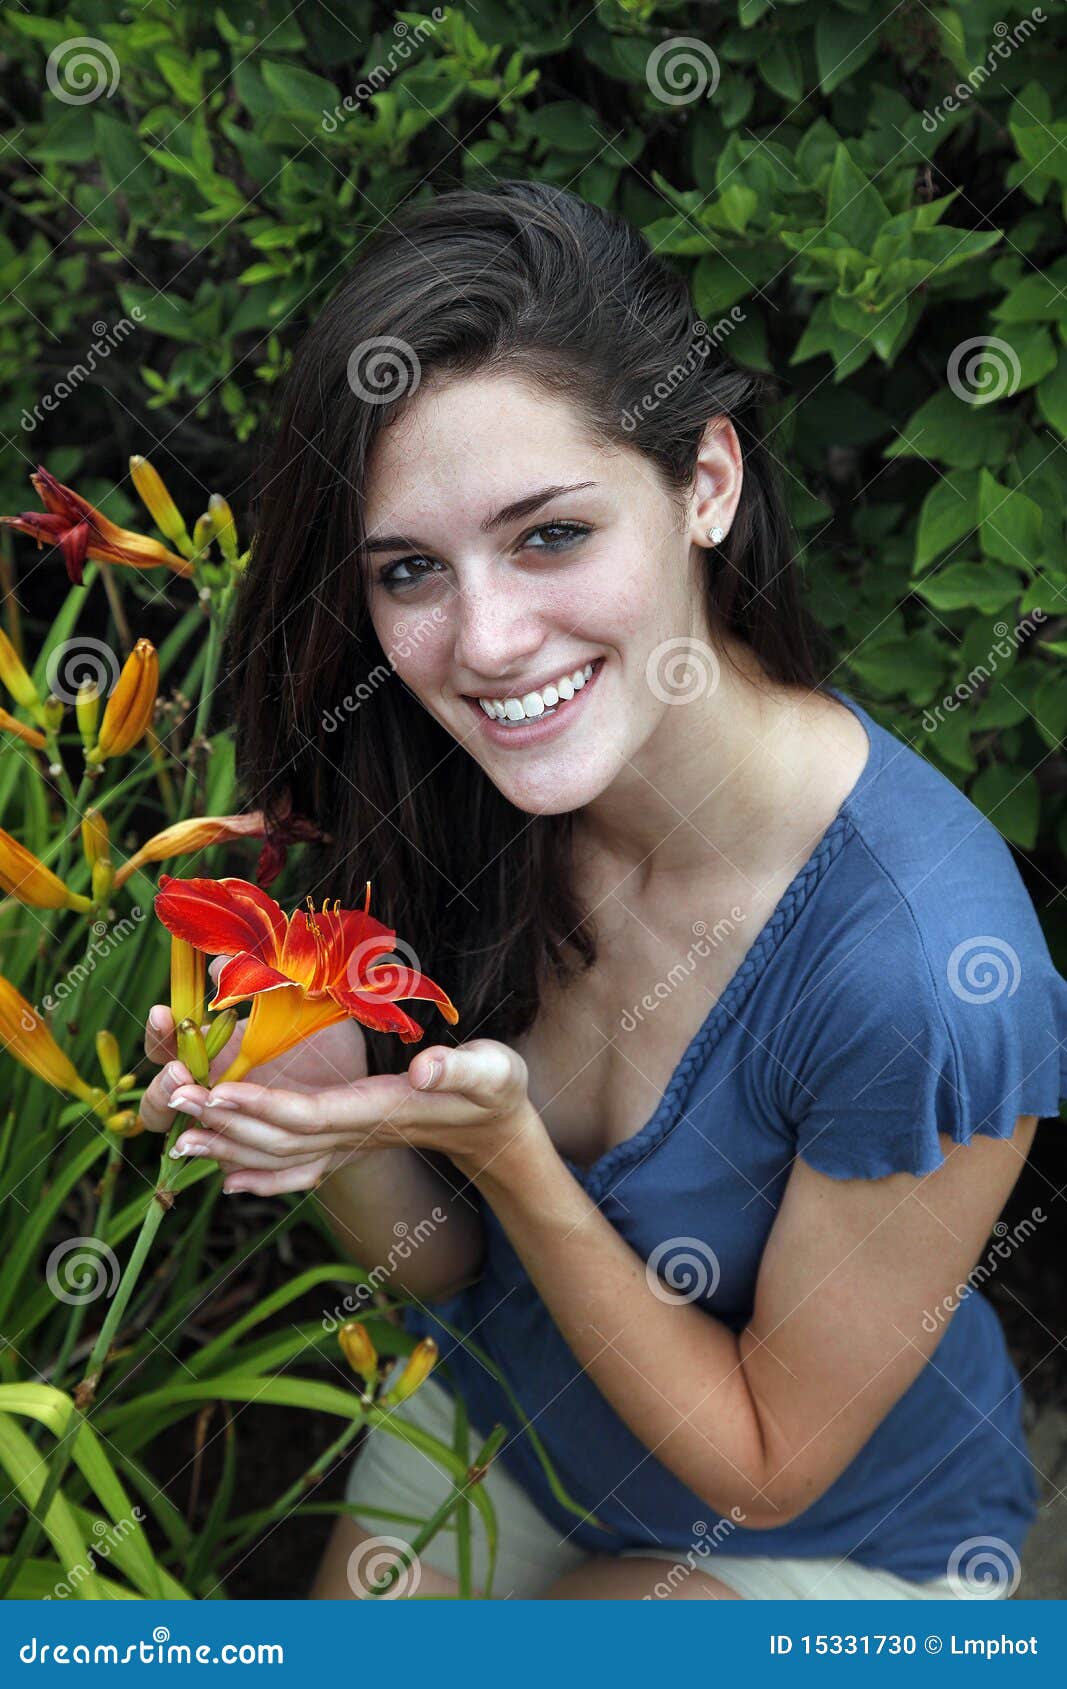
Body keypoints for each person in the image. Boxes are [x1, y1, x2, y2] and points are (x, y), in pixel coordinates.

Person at [139, 181, 1067, 1600]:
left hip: (826, 1545)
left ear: (705, 482)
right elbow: (446, 1269)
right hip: (509, 1420)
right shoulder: (456, 792)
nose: (488, 642)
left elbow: (764, 1458)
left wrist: (514, 1154)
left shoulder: (926, 971)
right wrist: (323, 1113)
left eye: (551, 533)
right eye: (409, 570)